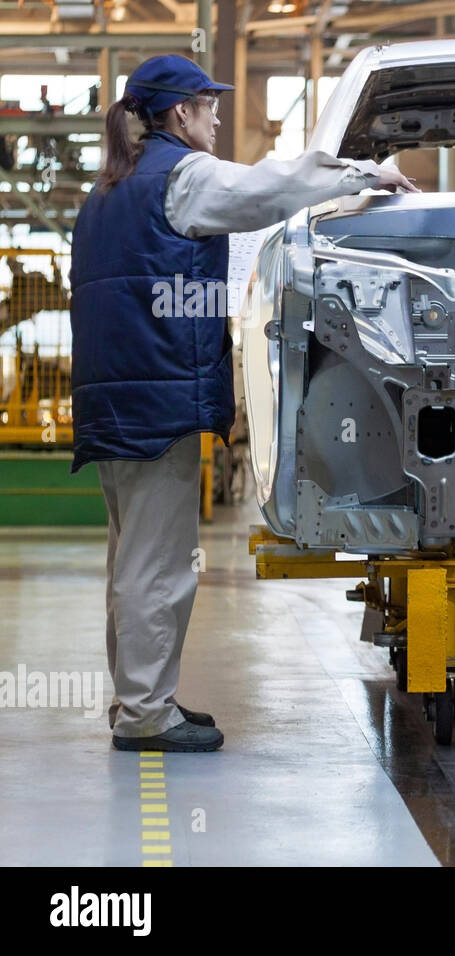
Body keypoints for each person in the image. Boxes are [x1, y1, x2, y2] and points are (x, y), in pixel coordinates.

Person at [69, 54, 417, 753]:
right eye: (208, 104)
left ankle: (142, 701)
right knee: (156, 567)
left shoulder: (108, 190)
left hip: (117, 401)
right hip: (154, 401)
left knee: (133, 560)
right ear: (178, 115)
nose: (219, 116)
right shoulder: (183, 176)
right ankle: (144, 714)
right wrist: (361, 173)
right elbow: (266, 188)